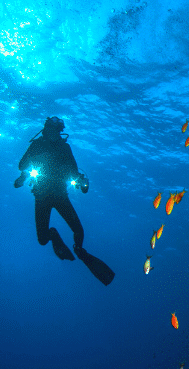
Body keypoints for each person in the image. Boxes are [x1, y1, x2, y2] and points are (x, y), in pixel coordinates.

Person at [14, 116, 114, 285]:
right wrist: (24, 175)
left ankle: (79, 250)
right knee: (43, 240)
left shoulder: (65, 148)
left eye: (57, 131)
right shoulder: (37, 145)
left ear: (60, 132)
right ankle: (53, 234)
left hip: (60, 195)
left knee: (79, 231)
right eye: (51, 130)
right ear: (46, 130)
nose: (54, 134)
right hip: (42, 195)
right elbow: (22, 165)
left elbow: (74, 171)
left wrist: (82, 182)